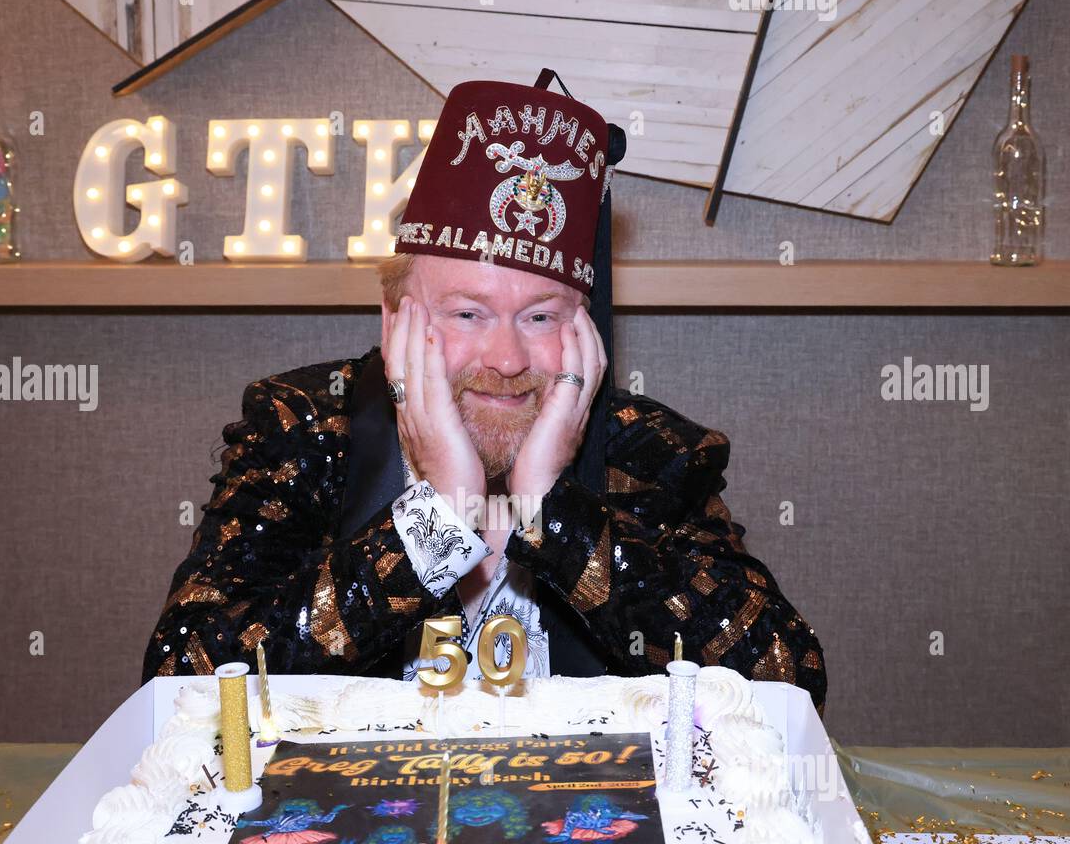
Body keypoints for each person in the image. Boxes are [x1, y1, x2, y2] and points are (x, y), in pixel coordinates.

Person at [142, 73, 827, 713]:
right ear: (394, 322)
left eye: (541, 317)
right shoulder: (306, 432)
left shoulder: (653, 456)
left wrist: (552, 512)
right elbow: (182, 685)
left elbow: (787, 681)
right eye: (468, 313)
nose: (506, 359)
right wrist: (435, 522)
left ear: (585, 332)